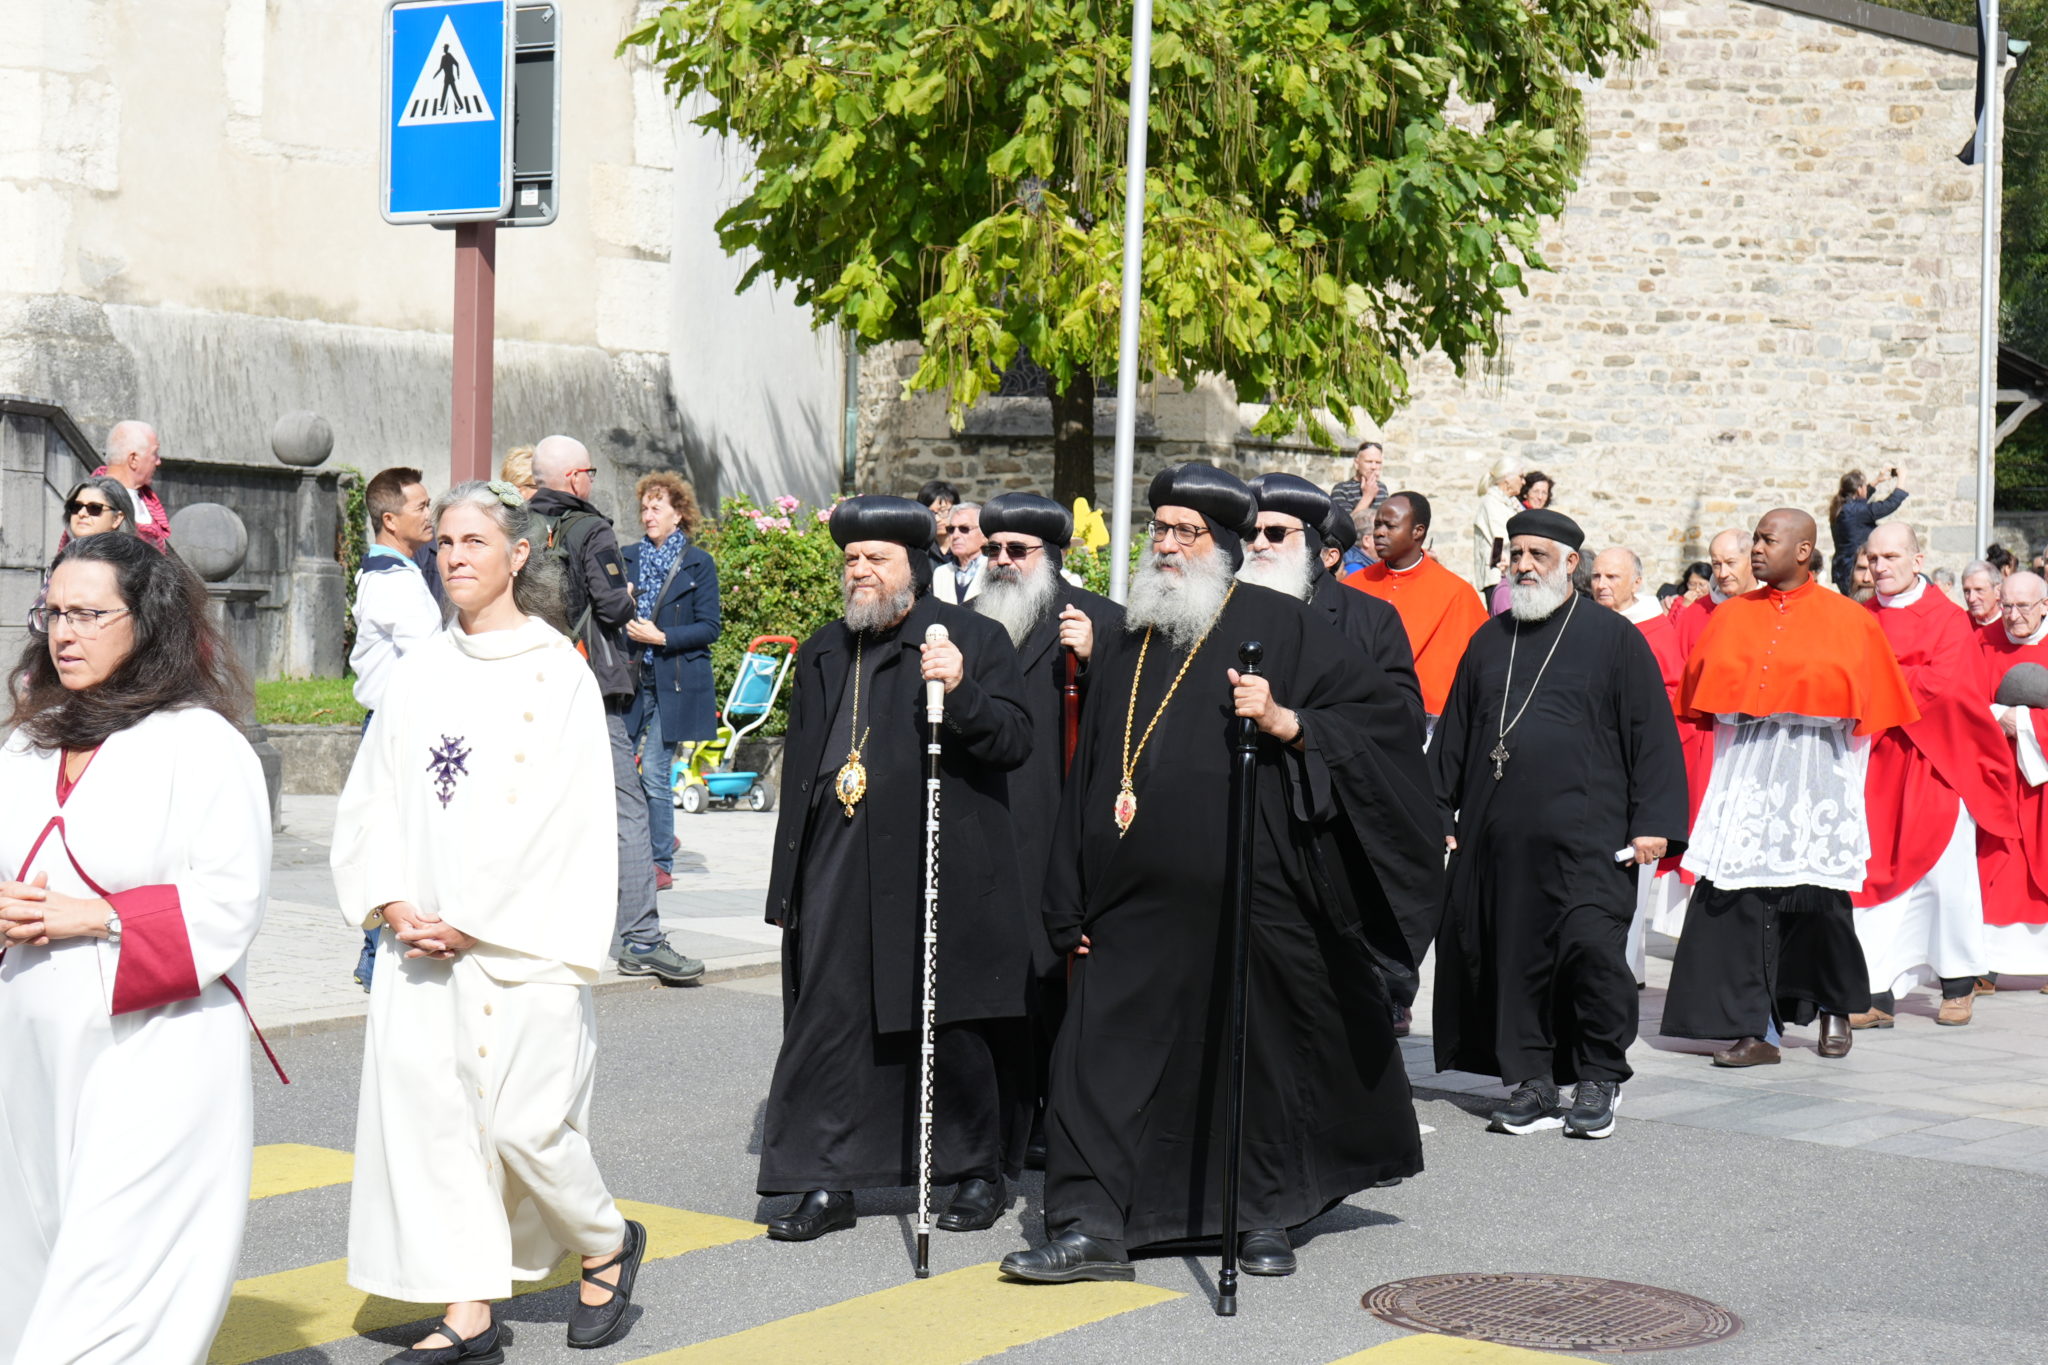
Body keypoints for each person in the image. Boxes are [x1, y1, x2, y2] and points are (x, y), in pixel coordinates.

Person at [999, 463, 1435, 1284]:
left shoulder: (1281, 623)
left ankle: (1259, 1212)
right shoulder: (1133, 633)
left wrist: (1287, 721)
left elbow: (1384, 727)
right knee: (1094, 1059)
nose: (1165, 544)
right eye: (1158, 528)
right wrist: (1069, 897)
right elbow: (1095, 768)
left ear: (1225, 546)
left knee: (1247, 1061)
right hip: (1126, 902)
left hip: (1246, 894)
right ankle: (1092, 1226)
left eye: (1184, 531)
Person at [333, 481, 647, 1358]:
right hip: (421, 943)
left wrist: (477, 917)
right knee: (440, 1129)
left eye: (476, 540)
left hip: (525, 943)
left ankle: (606, 1239)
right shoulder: (419, 671)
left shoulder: (559, 674)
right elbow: (374, 799)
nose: (456, 554)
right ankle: (469, 1309)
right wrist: (391, 899)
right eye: (444, 541)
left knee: (525, 1127)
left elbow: (572, 821)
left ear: (519, 556)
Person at [0, 533, 269, 1363]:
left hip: (156, 1047)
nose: (64, 633)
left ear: (145, 622)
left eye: (88, 613)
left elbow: (231, 900)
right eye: (53, 612)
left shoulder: (201, 744)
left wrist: (102, 917)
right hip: (32, 1048)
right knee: (37, 1248)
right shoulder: (29, 740)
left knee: (113, 1275)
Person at [757, 496, 1034, 1242]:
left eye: (876, 558)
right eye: (851, 559)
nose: (860, 572)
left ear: (913, 565)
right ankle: (827, 1177)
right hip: (840, 865)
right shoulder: (824, 649)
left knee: (952, 1022)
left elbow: (1014, 740)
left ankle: (976, 1171)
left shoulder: (971, 636)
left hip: (938, 860)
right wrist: (789, 888)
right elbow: (809, 768)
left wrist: (964, 687)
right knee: (831, 1022)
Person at [1431, 509, 1687, 1140]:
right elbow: (1456, 737)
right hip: (1500, 840)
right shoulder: (1489, 641)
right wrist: (1438, 811)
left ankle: (1598, 1077)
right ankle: (1535, 1081)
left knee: (1592, 956)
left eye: (1537, 555)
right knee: (1513, 960)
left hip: (1589, 839)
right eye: (1515, 553)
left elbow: (1651, 735)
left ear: (1571, 563)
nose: (1522, 565)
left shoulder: (1613, 638)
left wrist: (1654, 821)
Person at [1661, 509, 1917, 1067]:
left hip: (1817, 775)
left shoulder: (1849, 620)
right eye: (1753, 538)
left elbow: (1868, 707)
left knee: (1820, 900)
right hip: (1749, 773)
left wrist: (1804, 703)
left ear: (1803, 551)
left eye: (1766, 540)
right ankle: (1754, 1028)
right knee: (1740, 899)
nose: (1756, 548)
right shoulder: (1731, 618)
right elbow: (1704, 693)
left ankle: (1832, 1005)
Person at [971, 491, 1125, 1166]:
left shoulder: (1098, 619)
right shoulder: (971, 621)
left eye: (1017, 550)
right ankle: (999, 1122)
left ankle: (1055, 1117)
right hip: (989, 821)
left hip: (1061, 826)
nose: (1002, 561)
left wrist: (1095, 663)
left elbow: (1133, 720)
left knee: (1057, 980)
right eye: (993, 549)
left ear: (1052, 557)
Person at [1246, 473, 1430, 1032]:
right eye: (1251, 533)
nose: (1257, 545)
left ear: (1327, 555)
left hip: (1327, 813)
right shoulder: (1229, 609)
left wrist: (1300, 726)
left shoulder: (1370, 621)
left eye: (1275, 535)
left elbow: (1398, 719)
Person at [529, 434, 700, 984]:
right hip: (585, 681)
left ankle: (537, 922)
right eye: (591, 472)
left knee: (542, 802)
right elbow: (612, 605)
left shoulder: (513, 525)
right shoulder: (590, 528)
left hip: (526, 677)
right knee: (626, 809)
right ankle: (642, 938)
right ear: (576, 477)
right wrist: (624, 593)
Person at [1848, 525, 2015, 1030]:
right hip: (1876, 761)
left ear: (1917, 559)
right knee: (1875, 875)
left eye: (1892, 556)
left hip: (1936, 760)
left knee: (1946, 877)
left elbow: (1945, 686)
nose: (1881, 566)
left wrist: (1883, 682)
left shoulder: (1947, 619)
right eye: (1873, 557)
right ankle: (1877, 992)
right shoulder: (1857, 617)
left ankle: (1958, 982)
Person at [347, 466, 442, 992]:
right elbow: (430, 660)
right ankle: (374, 960)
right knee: (393, 843)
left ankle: (375, 957)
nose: (429, 514)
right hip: (395, 725)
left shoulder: (392, 571)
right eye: (421, 507)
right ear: (390, 518)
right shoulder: (391, 580)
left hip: (394, 722)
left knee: (394, 839)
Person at [621, 472, 720, 892]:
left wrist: (661, 637)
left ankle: (659, 861)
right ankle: (631, 847)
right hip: (630, 676)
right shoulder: (626, 558)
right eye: (644, 507)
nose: (648, 514)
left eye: (656, 507)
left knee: (656, 773)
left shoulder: (699, 563)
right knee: (620, 766)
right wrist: (618, 603)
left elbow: (710, 627)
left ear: (678, 514)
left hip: (674, 681)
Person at [1348, 491, 1489, 741]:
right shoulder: (1353, 584)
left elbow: (1481, 667)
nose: (1379, 532)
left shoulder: (1456, 592)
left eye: (1390, 526)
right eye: (1377, 525)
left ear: (1418, 532)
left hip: (1425, 725)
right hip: (1355, 712)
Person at [1973, 571, 2048, 977]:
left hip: (2042, 782)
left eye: (2024, 607)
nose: (2013, 616)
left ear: (2045, 606)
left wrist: (2023, 723)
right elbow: (1962, 697)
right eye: (2007, 606)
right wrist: (1993, 716)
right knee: (1996, 864)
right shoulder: (1982, 642)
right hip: (1996, 777)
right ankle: (1987, 963)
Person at [1590, 547, 1685, 710]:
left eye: (1611, 577)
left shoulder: (1656, 630)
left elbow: (1672, 692)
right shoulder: (1588, 621)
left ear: (1636, 583)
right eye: (1596, 576)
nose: (1600, 585)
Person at [1826, 466, 1908, 595]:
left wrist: (1877, 481)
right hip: (1854, 569)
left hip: (1842, 568)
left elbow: (1860, 502)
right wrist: (1902, 479)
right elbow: (1889, 504)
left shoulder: (1841, 507)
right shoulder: (1856, 511)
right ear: (1859, 489)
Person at [95, 420, 172, 551]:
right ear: (133, 459)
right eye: (154, 453)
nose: (158, 461)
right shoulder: (95, 501)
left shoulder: (147, 499)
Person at [1329, 439, 1390, 569]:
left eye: (1378, 463)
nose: (1373, 467)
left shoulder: (1382, 489)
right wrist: (1367, 497)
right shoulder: (1341, 489)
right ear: (1357, 463)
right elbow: (1341, 527)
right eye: (1369, 462)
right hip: (1350, 554)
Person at [1473, 456, 1525, 593]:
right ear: (1508, 478)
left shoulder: (1512, 504)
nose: (1524, 482)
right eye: (1521, 476)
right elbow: (1503, 538)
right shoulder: (1491, 503)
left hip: (1512, 574)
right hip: (1498, 576)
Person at [931, 501, 988, 604]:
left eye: (964, 529)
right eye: (951, 529)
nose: (955, 535)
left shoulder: (992, 570)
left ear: (984, 535)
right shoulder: (941, 573)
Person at [917, 479, 961, 565]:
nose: (937, 519)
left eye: (943, 511)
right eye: (931, 513)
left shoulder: (964, 547)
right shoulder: (920, 550)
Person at [1962, 561, 2001, 627]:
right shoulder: (1960, 624)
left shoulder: (2011, 625)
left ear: (1998, 591)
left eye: (1979, 590)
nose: (1971, 599)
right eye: (1967, 591)